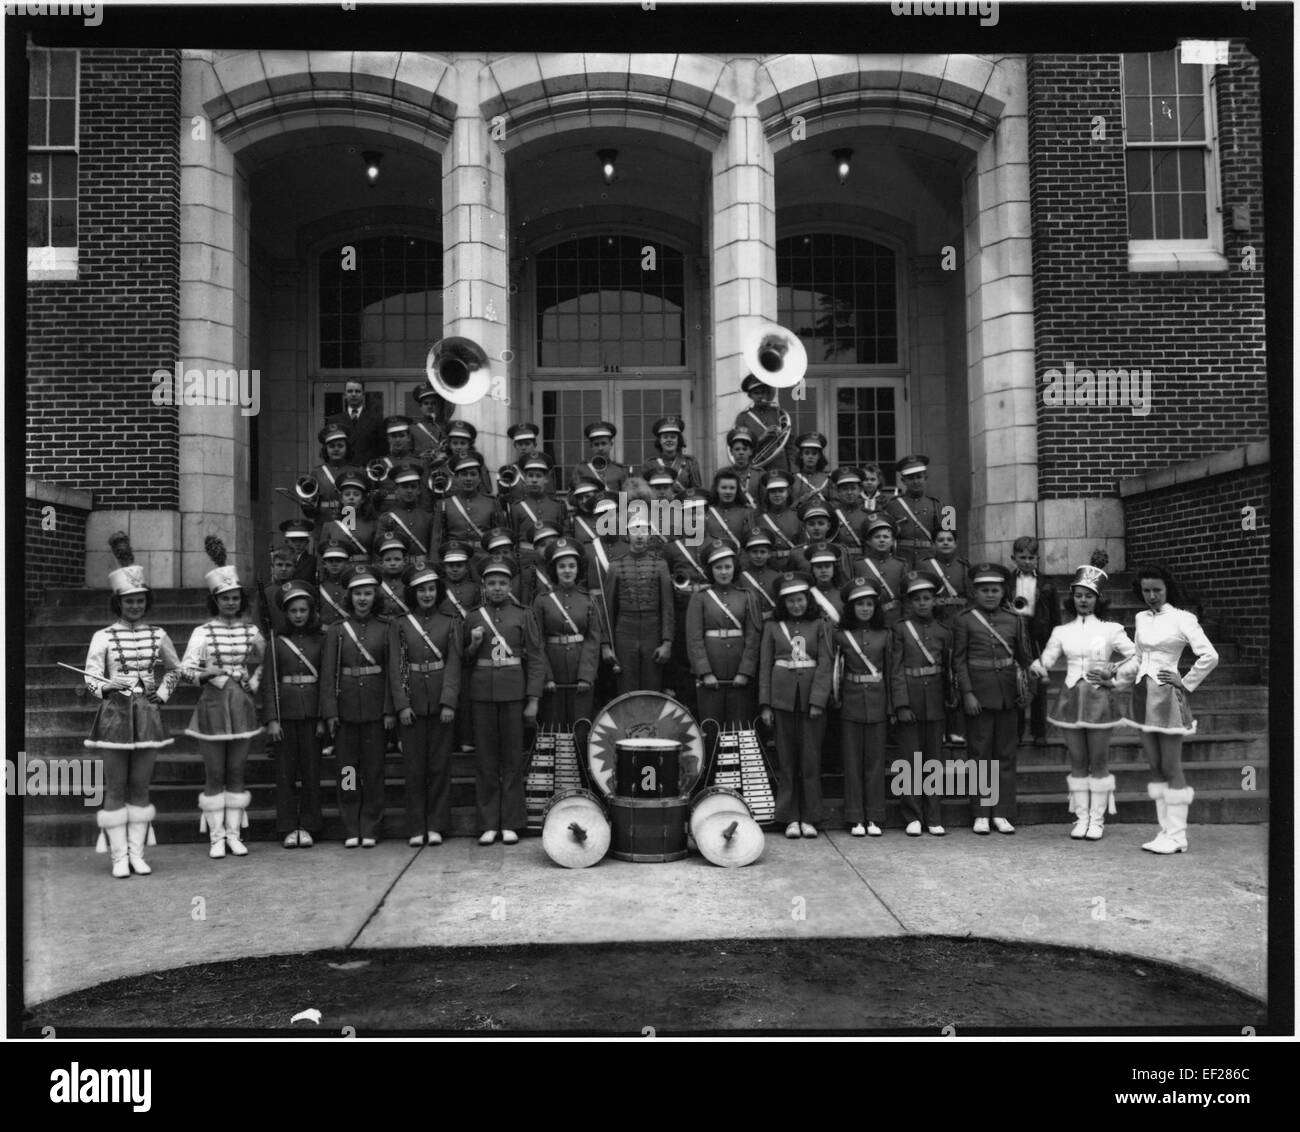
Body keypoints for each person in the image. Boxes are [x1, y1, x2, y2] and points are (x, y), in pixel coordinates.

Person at [85, 533, 182, 878]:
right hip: (114, 716)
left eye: (140, 601)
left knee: (141, 785)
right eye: (129, 602)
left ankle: (137, 854)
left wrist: (164, 693)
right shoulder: (103, 637)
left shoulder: (158, 635)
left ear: (147, 602)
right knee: (115, 786)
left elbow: (176, 669)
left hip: (146, 714)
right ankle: (118, 857)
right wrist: (106, 687)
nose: (135, 606)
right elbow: (91, 677)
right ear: (118, 603)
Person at [1116, 564, 1219, 854]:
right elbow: (1138, 656)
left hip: (1167, 696)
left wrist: (1185, 682)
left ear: (1167, 589)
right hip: (1141, 695)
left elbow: (1210, 655)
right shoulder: (1140, 617)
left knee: (1171, 765)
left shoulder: (1184, 619)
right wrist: (1116, 677)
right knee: (1155, 765)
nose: (1151, 596)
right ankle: (1164, 831)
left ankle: (1178, 836)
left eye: (1157, 590)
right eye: (1146, 590)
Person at [1028, 564, 1136, 841]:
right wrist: (1031, 667)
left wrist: (1114, 674)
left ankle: (1097, 821)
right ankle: (1081, 817)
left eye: (1089, 595)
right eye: (1079, 595)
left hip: (1100, 699)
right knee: (1078, 760)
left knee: (1098, 760)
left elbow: (1137, 657)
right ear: (1072, 598)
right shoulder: (1062, 631)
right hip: (1070, 699)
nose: (1084, 600)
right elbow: (1046, 661)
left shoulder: (1112, 629)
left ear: (1098, 599)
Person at [182, 537, 266, 859]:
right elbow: (185, 669)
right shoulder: (202, 632)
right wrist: (206, 673)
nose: (230, 602)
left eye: (235, 598)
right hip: (213, 706)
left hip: (241, 705)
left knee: (237, 771)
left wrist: (254, 680)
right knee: (214, 772)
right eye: (224, 598)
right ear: (215, 600)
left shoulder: (250, 631)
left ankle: (234, 834)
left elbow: (269, 659)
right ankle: (216, 837)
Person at [463, 556, 544, 845]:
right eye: (492, 583)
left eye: (502, 583)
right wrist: (473, 644)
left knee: (511, 760)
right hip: (482, 694)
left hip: (513, 694)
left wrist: (532, 699)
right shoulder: (473, 616)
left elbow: (535, 658)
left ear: (510, 585)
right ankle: (488, 823)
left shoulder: (523, 614)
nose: (497, 588)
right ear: (483, 586)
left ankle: (511, 822)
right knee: (486, 760)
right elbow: (464, 661)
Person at [952, 563, 1034, 835]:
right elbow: (959, 661)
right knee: (979, 755)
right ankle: (980, 813)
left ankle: (1002, 812)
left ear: (1003, 592)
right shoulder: (964, 620)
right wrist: (967, 694)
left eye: (995, 590)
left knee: (1005, 755)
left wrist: (1028, 688)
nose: (990, 595)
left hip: (1008, 695)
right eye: (984, 590)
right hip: (978, 694)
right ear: (975, 592)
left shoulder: (1014, 620)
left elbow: (1024, 658)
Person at [320, 565, 396, 847]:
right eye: (357, 594)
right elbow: (328, 674)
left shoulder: (386, 627)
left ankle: (371, 826)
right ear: (349, 597)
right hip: (345, 710)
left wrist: (390, 710)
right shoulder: (338, 630)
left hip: (376, 710)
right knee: (348, 771)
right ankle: (352, 825)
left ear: (375, 596)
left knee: (374, 770)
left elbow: (393, 673)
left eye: (367, 593)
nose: (362, 599)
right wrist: (330, 711)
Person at [389, 563, 463, 847]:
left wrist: (448, 702)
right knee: (414, 769)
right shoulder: (400, 623)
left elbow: (454, 664)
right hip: (413, 705)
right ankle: (416, 826)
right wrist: (402, 705)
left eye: (431, 589)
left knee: (439, 768)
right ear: (413, 593)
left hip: (441, 704)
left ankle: (436, 825)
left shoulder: (451, 622)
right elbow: (397, 667)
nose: (427, 594)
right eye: (421, 590)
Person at [760, 572, 834, 838]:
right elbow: (765, 666)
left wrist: (818, 700)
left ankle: (811, 817)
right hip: (782, 700)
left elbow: (826, 664)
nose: (796, 605)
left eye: (800, 600)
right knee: (787, 760)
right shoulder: (772, 626)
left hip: (811, 701)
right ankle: (790, 817)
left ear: (808, 599)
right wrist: (766, 705)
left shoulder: (820, 625)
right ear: (783, 603)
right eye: (790, 601)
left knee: (810, 760)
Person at [259, 579, 326, 849]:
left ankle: (310, 825)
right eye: (293, 611)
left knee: (312, 772)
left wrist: (323, 716)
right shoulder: (276, 642)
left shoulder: (320, 640)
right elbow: (268, 683)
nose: (298, 615)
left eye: (303, 610)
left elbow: (326, 680)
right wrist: (272, 719)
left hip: (312, 714)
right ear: (285, 614)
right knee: (286, 774)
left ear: (310, 611)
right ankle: (288, 826)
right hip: (285, 716)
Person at [890, 571, 953, 837]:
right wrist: (901, 704)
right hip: (911, 700)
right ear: (909, 603)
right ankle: (912, 815)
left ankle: (933, 814)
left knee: (934, 761)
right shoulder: (901, 629)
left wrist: (951, 700)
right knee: (909, 761)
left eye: (927, 598)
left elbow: (948, 670)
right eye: (917, 599)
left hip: (936, 701)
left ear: (935, 601)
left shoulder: (943, 631)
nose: (922, 604)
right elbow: (895, 669)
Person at [834, 577, 892, 837]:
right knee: (853, 762)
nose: (865, 609)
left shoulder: (885, 635)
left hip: (878, 702)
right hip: (851, 702)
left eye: (869, 604)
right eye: (859, 605)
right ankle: (856, 817)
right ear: (851, 608)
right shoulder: (840, 636)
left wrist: (891, 706)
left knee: (875, 763)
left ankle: (875, 816)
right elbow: (835, 671)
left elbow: (890, 672)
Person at [687, 540, 762, 728]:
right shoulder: (700, 598)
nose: (723, 572)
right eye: (718, 567)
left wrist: (745, 672)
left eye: (727, 566)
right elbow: (694, 639)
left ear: (734, 568)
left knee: (740, 727)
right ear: (711, 570)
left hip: (739, 672)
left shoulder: (747, 596)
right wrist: (704, 672)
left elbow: (753, 638)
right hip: (711, 672)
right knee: (711, 726)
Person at [532, 538, 603, 727]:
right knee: (552, 723)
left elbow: (593, 639)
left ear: (578, 569)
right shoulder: (542, 600)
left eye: (572, 566)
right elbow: (536, 641)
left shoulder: (588, 600)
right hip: (552, 665)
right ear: (554, 570)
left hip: (580, 662)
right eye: (562, 566)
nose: (567, 570)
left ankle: (579, 756)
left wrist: (586, 676)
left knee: (579, 722)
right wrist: (546, 676)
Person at [602, 514, 674, 695]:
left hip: (653, 630)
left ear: (650, 534)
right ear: (627, 535)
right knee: (626, 685)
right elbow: (608, 608)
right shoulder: (615, 566)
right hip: (624, 631)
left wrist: (667, 642)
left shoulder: (660, 565)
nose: (640, 535)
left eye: (644, 530)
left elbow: (667, 607)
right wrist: (605, 644)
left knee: (653, 685)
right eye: (635, 530)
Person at [1010, 535, 1058, 745]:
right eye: (1022, 557)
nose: (1027, 561)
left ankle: (1039, 732)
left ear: (1037, 558)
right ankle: (1017, 732)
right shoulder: (1008, 581)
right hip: (1015, 636)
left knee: (1038, 685)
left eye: (1031, 557)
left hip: (1038, 638)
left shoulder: (1047, 584)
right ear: (1014, 558)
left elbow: (1055, 615)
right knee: (1017, 684)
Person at [885, 454, 944, 569]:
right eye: (911, 478)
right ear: (903, 481)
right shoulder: (891, 505)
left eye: (919, 477)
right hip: (901, 561)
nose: (915, 481)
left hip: (929, 561)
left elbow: (951, 539)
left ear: (925, 477)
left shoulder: (942, 506)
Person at [852, 513, 907, 628]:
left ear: (892, 541)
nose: (882, 540)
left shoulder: (900, 564)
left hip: (894, 619)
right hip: (867, 619)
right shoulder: (859, 564)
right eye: (877, 537)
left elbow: (906, 597)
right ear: (868, 542)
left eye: (886, 537)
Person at [316, 467, 377, 567]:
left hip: (364, 573)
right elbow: (322, 558)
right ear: (341, 499)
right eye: (347, 494)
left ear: (362, 500)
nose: (351, 497)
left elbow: (377, 555)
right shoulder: (329, 526)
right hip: (338, 574)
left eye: (356, 494)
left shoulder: (373, 524)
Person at [747, 469, 801, 572]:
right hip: (767, 567)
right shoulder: (759, 518)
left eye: (781, 491)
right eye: (772, 492)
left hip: (793, 566)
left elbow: (803, 546)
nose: (777, 495)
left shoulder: (797, 517)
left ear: (788, 493)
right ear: (767, 494)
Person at [301, 423, 352, 531]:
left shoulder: (356, 471)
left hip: (349, 518)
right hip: (323, 521)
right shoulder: (317, 473)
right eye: (331, 446)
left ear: (347, 448)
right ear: (325, 449)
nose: (336, 449)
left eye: (340, 446)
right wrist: (307, 504)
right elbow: (310, 510)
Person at [736, 373, 791, 472]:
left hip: (780, 465)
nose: (760, 396)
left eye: (763, 392)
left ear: (768, 394)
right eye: (756, 393)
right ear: (750, 396)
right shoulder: (743, 418)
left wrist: (793, 471)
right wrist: (762, 437)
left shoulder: (778, 413)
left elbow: (789, 444)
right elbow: (741, 446)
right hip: (756, 466)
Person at [325, 378, 386, 465]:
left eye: (357, 391)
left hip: (367, 471)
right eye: (350, 391)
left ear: (363, 395)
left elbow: (382, 449)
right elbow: (328, 450)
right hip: (343, 470)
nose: (354, 394)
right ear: (345, 395)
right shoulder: (334, 421)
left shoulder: (376, 419)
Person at [640, 414, 703, 493]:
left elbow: (698, 493)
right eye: (665, 437)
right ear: (660, 441)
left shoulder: (690, 462)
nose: (669, 440)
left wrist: (683, 492)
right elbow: (643, 493)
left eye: (673, 437)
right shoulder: (649, 464)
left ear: (678, 440)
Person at [571, 421, 628, 494]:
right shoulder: (581, 469)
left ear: (611, 444)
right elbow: (572, 496)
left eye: (604, 443)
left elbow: (624, 497)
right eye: (596, 444)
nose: (600, 448)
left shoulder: (619, 470)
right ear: (591, 446)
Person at [737, 529, 781, 620]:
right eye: (754, 552)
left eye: (763, 552)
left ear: (769, 554)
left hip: (773, 622)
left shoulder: (777, 576)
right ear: (747, 554)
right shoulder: (741, 577)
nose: (759, 556)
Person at [704, 468, 751, 552]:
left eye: (732, 488)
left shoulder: (745, 513)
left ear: (737, 490)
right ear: (717, 489)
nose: (728, 492)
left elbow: (749, 544)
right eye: (724, 488)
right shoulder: (707, 512)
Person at [828, 467, 870, 555]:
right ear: (838, 492)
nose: (849, 492)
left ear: (860, 490)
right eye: (844, 489)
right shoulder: (831, 514)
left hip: (861, 560)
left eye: (853, 488)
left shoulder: (867, 514)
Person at [722, 425, 761, 508]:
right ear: (731, 451)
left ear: (751, 451)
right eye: (737, 449)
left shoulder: (760, 474)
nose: (741, 452)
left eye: (744, 449)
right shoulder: (722, 474)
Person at [790, 431, 831, 508]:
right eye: (807, 453)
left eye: (814, 453)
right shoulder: (793, 479)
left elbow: (835, 504)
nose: (810, 456)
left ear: (819, 456)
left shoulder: (827, 479)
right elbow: (787, 508)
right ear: (801, 456)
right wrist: (800, 501)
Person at [316, 540, 351, 626]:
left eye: (338, 561)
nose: (334, 564)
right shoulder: (319, 588)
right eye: (330, 561)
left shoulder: (351, 587)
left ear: (346, 563)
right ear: (324, 564)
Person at [278, 518, 318, 584]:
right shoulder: (279, 559)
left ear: (307, 542)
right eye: (294, 540)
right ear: (286, 542)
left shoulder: (312, 561)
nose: (298, 544)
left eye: (301, 540)